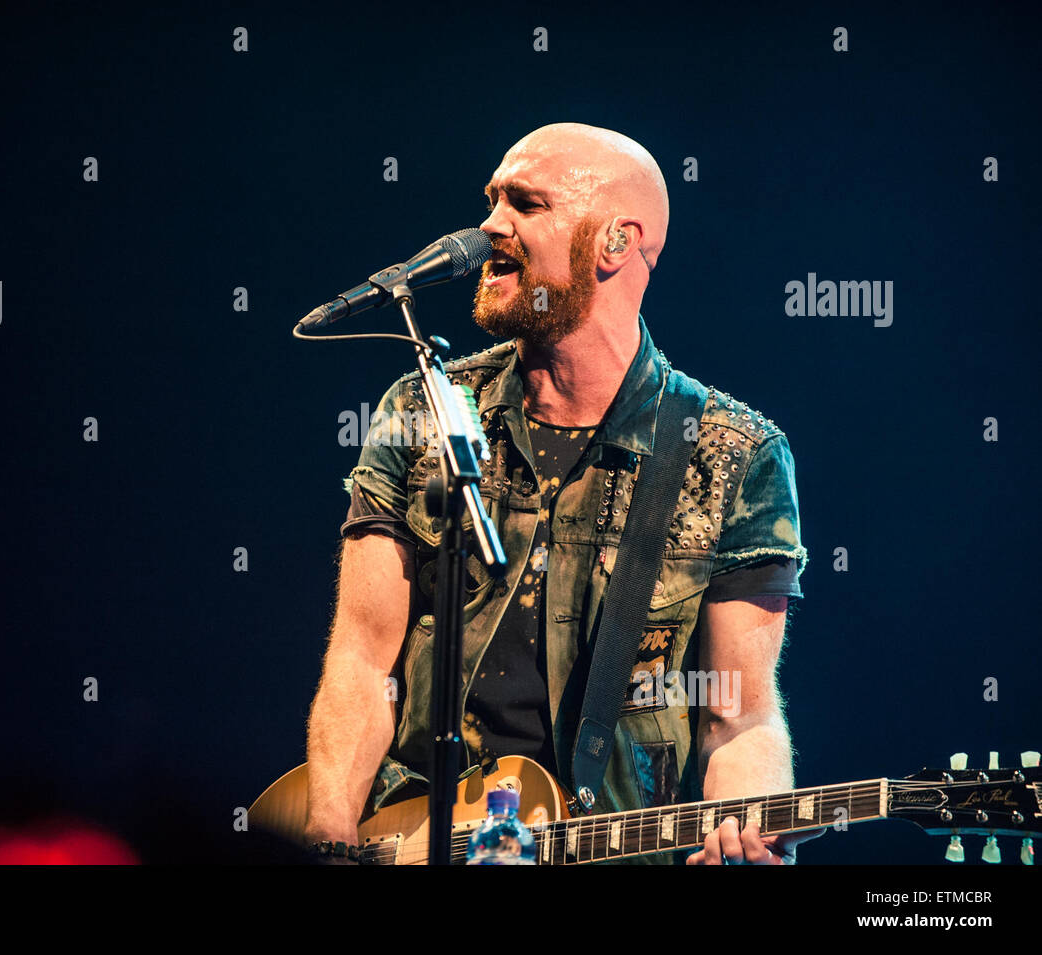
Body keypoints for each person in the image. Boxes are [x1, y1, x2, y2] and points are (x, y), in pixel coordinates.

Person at [303, 123, 820, 865]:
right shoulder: (427, 410)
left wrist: (744, 824)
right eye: (490, 200)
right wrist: (331, 836)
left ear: (616, 242)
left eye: (525, 203)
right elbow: (360, 656)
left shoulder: (733, 455)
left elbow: (739, 717)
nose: (489, 226)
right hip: (414, 838)